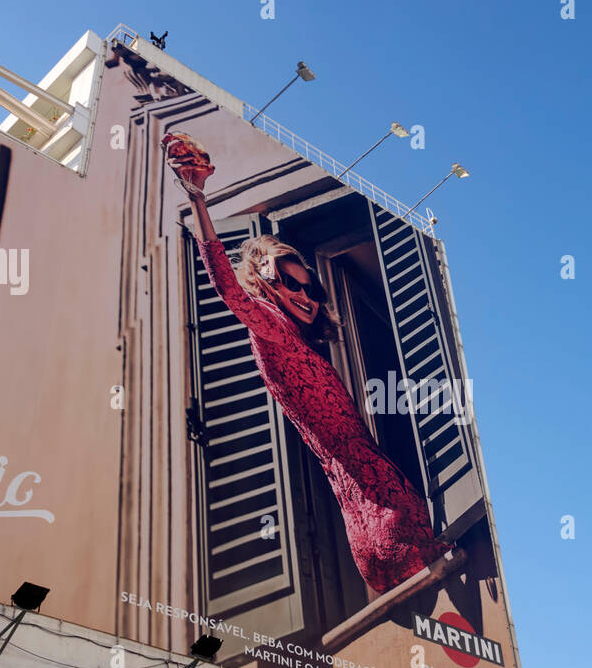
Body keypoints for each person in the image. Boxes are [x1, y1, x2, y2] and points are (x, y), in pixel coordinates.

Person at [163, 131, 455, 594]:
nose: (306, 296)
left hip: (367, 501)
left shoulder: (301, 341)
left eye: (313, 289)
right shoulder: (272, 331)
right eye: (290, 283)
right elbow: (228, 289)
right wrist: (198, 196)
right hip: (382, 505)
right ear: (266, 285)